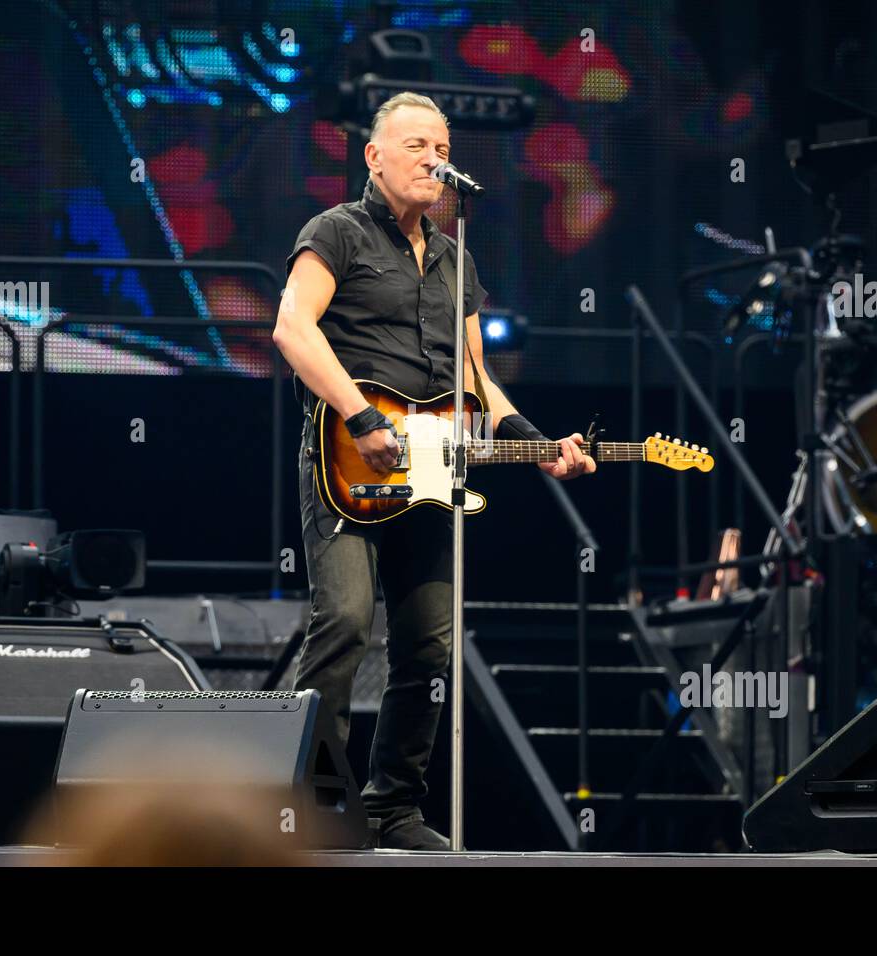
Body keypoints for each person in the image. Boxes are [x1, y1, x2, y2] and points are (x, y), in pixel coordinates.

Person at [273, 91, 595, 850]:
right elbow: (292, 325)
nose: (433, 158)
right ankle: (303, 804)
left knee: (429, 646)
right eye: (415, 144)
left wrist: (539, 443)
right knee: (347, 620)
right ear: (373, 156)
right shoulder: (337, 232)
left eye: (442, 146)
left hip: (434, 466)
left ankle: (392, 806)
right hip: (348, 460)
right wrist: (360, 415)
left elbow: (479, 379)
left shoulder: (458, 259)